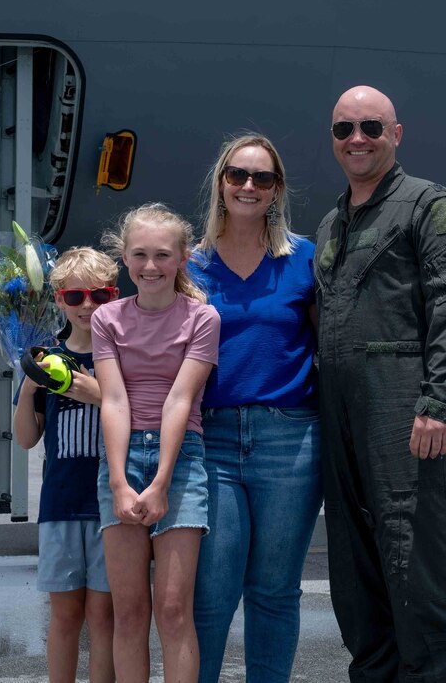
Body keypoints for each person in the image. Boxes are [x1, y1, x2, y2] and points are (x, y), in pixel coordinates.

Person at [314, 86, 446, 682]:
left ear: (396, 134)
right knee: (359, 585)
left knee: (423, 574)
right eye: (343, 129)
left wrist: (439, 401)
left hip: (405, 419)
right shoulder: (333, 222)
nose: (356, 138)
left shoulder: (429, 207)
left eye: (370, 126)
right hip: (343, 425)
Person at [188, 134, 321, 682]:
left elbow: (328, 346)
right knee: (213, 592)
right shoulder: (188, 264)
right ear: (221, 181)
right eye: (238, 174)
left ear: (276, 190)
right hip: (212, 438)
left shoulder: (305, 258)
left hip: (289, 440)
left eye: (261, 178)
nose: (248, 185)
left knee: (273, 591)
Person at [91, 203, 221, 683]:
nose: (151, 266)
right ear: (124, 258)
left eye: (163, 255)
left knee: (172, 609)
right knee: (128, 612)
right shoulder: (108, 319)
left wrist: (162, 480)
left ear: (183, 258)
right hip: (121, 461)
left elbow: (179, 401)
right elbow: (115, 401)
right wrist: (121, 481)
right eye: (140, 255)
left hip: (181, 460)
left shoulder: (202, 319)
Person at [14, 246, 119, 683]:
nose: (88, 305)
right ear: (59, 299)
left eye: (100, 294)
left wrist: (98, 390)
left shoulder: (122, 357)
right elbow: (25, 438)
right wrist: (27, 385)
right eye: (75, 297)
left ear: (115, 296)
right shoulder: (48, 357)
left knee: (103, 616)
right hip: (60, 505)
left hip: (111, 506)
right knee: (64, 616)